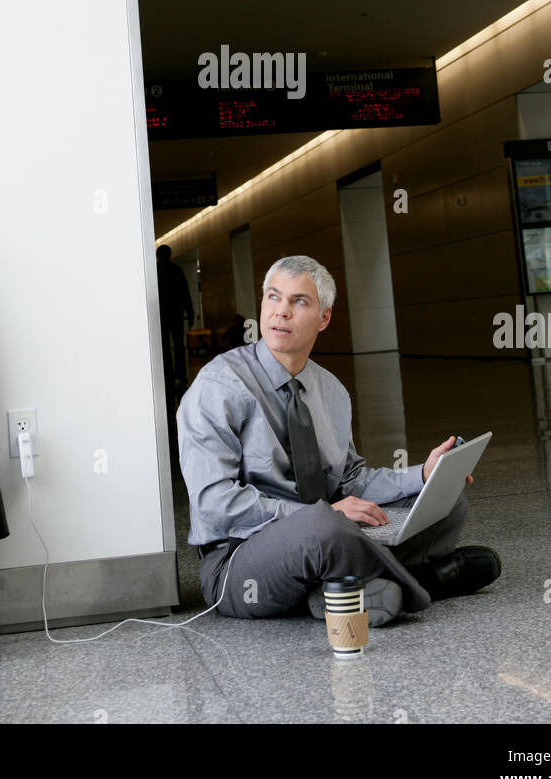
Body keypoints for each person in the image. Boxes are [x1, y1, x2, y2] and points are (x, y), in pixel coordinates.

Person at [177, 254, 501, 625]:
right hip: (240, 560)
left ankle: (341, 589)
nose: (281, 312)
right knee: (322, 528)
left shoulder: (330, 391)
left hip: (329, 535)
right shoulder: (217, 386)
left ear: (324, 318)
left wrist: (425, 476)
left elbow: (350, 482)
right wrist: (323, 514)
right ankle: (421, 584)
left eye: (299, 301)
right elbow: (213, 504)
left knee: (447, 502)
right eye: (273, 296)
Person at [156, 244, 195, 402]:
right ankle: (180, 374)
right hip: (176, 313)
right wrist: (190, 313)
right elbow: (185, 292)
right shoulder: (176, 270)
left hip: (162, 314)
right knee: (178, 345)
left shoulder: (156, 271)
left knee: (165, 346)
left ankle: (169, 374)